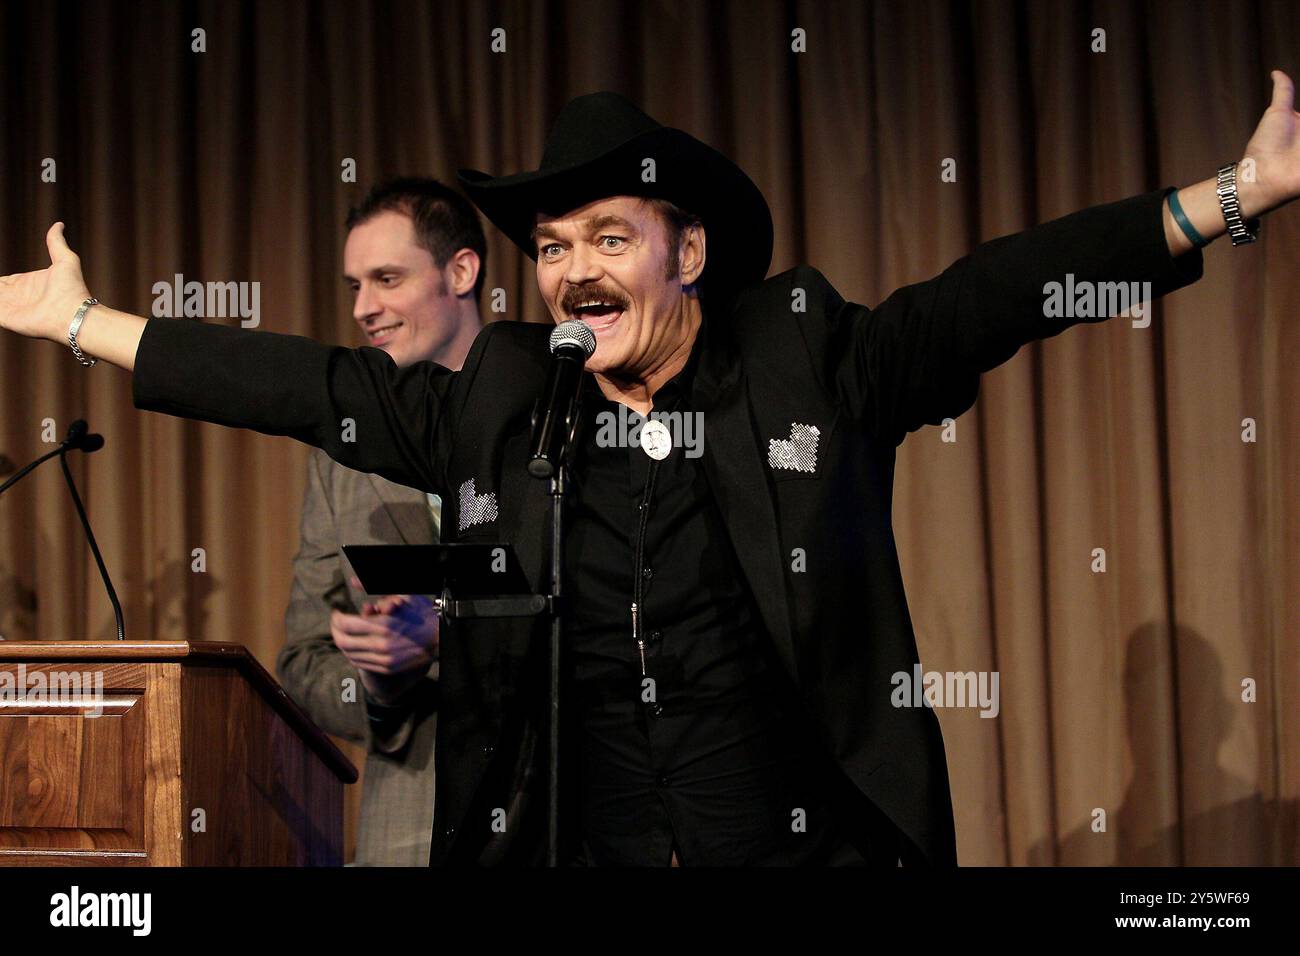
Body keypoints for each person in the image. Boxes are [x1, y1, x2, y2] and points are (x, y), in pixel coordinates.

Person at [3, 75, 1298, 865]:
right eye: (556, 244)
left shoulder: (804, 359)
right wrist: (80, 322)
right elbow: (307, 386)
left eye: (608, 236)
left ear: (686, 252)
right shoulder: (516, 389)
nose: (573, 270)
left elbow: (994, 296)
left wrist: (1229, 197)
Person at [278, 178, 486, 866]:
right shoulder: (342, 459)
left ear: (460, 271)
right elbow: (302, 663)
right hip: (407, 837)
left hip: (562, 821)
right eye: (354, 286)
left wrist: (447, 632)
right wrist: (376, 681)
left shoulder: (564, 418)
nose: (365, 309)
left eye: (387, 278)